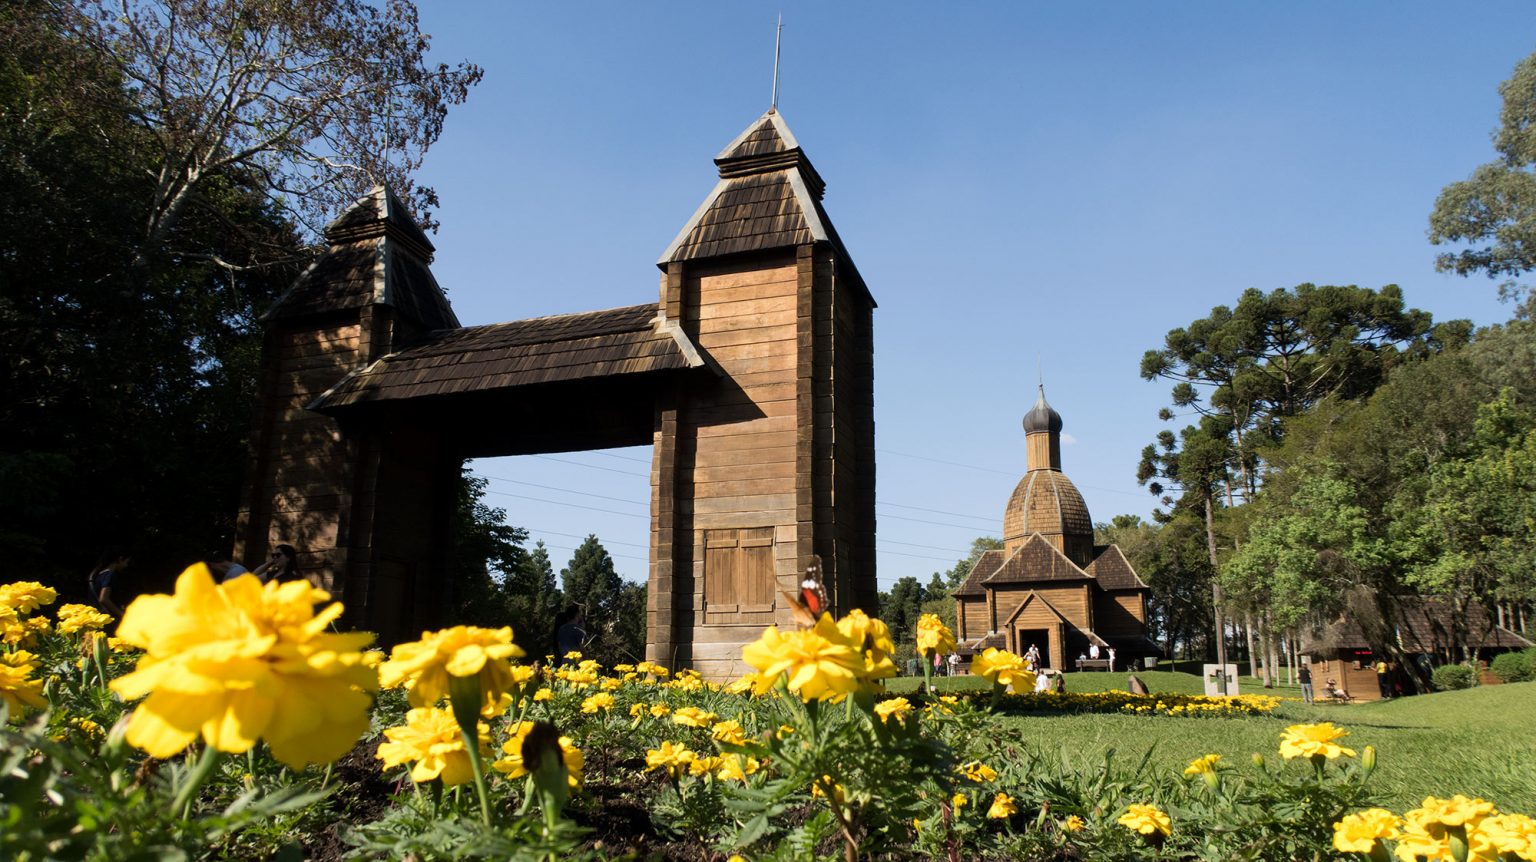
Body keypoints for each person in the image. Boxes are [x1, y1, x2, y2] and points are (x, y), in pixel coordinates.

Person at [87, 548, 129, 617]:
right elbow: (103, 599)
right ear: (120, 559)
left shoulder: (99, 575)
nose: (126, 565)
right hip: (108, 618)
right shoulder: (110, 575)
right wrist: (121, 614)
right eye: (126, 562)